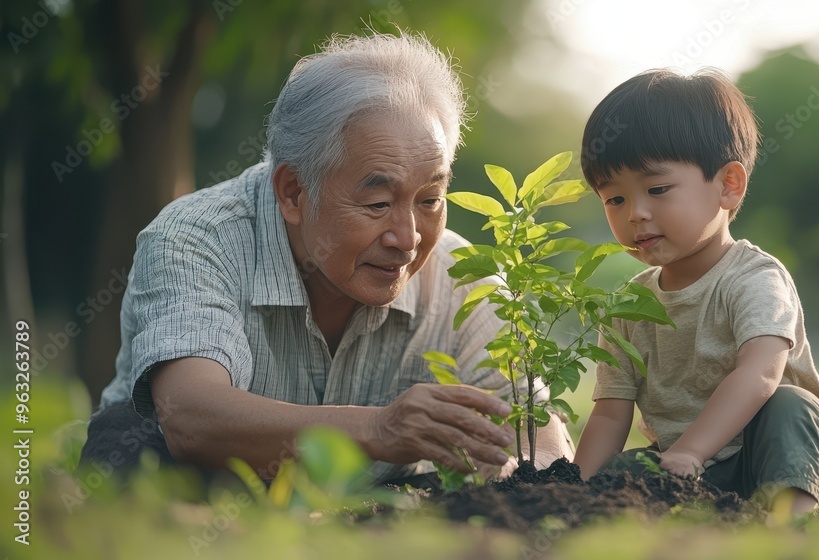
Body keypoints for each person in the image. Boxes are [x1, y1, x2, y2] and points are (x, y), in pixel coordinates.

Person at [80, 32, 571, 484]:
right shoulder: (198, 238)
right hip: (200, 514)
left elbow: (535, 427)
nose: (408, 237)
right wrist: (379, 429)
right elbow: (191, 415)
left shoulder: (462, 278)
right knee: (131, 447)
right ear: (293, 191)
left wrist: (541, 475)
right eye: (377, 204)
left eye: (430, 200)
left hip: (381, 524)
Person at [572, 69, 819, 513]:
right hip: (687, 470)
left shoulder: (754, 278)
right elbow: (609, 413)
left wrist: (692, 450)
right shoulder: (628, 306)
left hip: (768, 458)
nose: (636, 213)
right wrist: (574, 489)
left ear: (728, 186)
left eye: (657, 189)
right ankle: (694, 518)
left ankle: (792, 522)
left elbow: (760, 374)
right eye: (614, 199)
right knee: (622, 472)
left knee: (792, 406)